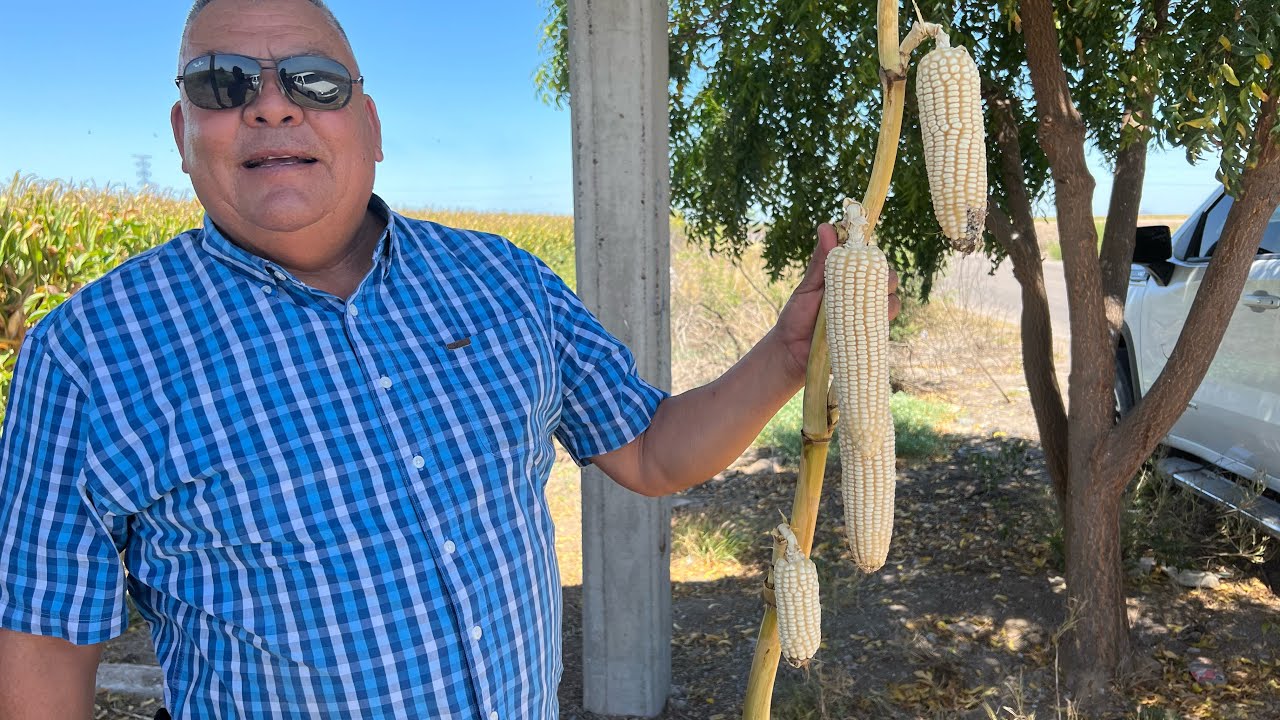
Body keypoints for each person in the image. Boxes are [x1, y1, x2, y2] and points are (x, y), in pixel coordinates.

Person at [0, 0, 898, 718]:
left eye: (314, 81)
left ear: (372, 124)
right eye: (223, 81)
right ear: (182, 130)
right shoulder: (88, 358)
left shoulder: (503, 281)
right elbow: (41, 651)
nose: (270, 103)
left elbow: (654, 450)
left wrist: (787, 356)